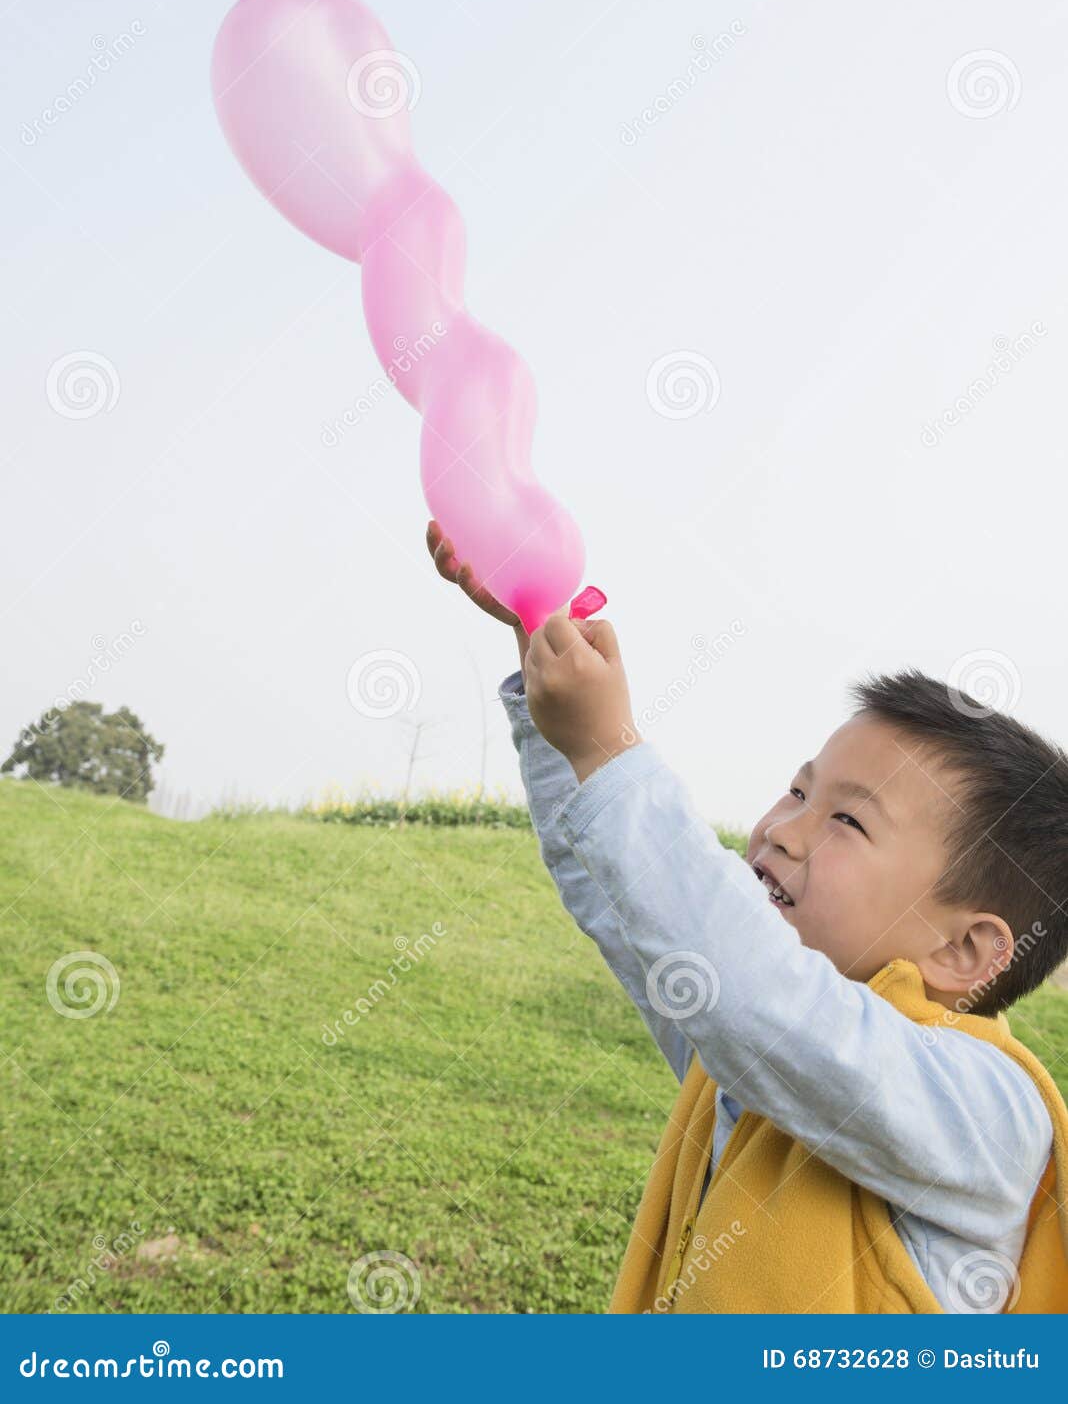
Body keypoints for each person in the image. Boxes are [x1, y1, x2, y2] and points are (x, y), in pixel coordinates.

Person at [426, 521, 1068, 1314]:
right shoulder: (748, 1058)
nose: (784, 828)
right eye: (799, 791)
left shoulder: (986, 1110)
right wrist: (543, 647)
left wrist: (610, 751)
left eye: (848, 822)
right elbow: (623, 899)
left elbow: (765, 1000)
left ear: (968, 950)